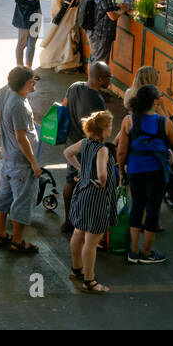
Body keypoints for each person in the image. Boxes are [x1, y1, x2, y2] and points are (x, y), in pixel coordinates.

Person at [116, 84, 173, 264]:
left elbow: (121, 151)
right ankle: (147, 253)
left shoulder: (129, 121)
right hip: (157, 171)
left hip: (136, 169)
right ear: (154, 102)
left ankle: (133, 252)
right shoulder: (164, 122)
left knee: (137, 206)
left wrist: (121, 170)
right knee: (153, 209)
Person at [0, 66, 43, 253]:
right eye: (32, 80)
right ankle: (17, 241)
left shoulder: (7, 92)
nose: (34, 82)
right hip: (21, 163)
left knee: (4, 197)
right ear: (25, 84)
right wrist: (34, 163)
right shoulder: (20, 105)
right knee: (22, 201)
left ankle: (1, 235)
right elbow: (21, 138)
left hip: (8, 159)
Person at [64, 110, 117, 294]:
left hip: (82, 194)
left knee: (79, 232)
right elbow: (102, 174)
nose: (111, 128)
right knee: (92, 241)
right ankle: (89, 280)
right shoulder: (103, 149)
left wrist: (82, 170)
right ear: (103, 130)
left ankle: (76, 269)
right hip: (96, 197)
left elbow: (67, 153)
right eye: (109, 126)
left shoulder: (84, 143)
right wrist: (101, 182)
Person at [59, 61, 112, 232]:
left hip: (71, 141)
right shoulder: (97, 99)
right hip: (88, 146)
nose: (109, 81)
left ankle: (68, 220)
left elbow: (64, 106)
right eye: (107, 78)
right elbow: (100, 127)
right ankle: (84, 221)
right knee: (86, 184)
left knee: (70, 180)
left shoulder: (74, 86)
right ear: (99, 79)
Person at [88, 0, 126, 65]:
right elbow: (112, 16)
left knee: (93, 59)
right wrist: (123, 10)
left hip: (95, 31)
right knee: (100, 62)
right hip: (102, 33)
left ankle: (91, 75)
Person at [13, 0, 41, 67]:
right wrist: (31, 0)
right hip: (25, 16)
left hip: (36, 14)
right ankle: (20, 68)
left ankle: (28, 69)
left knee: (32, 44)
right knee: (22, 43)